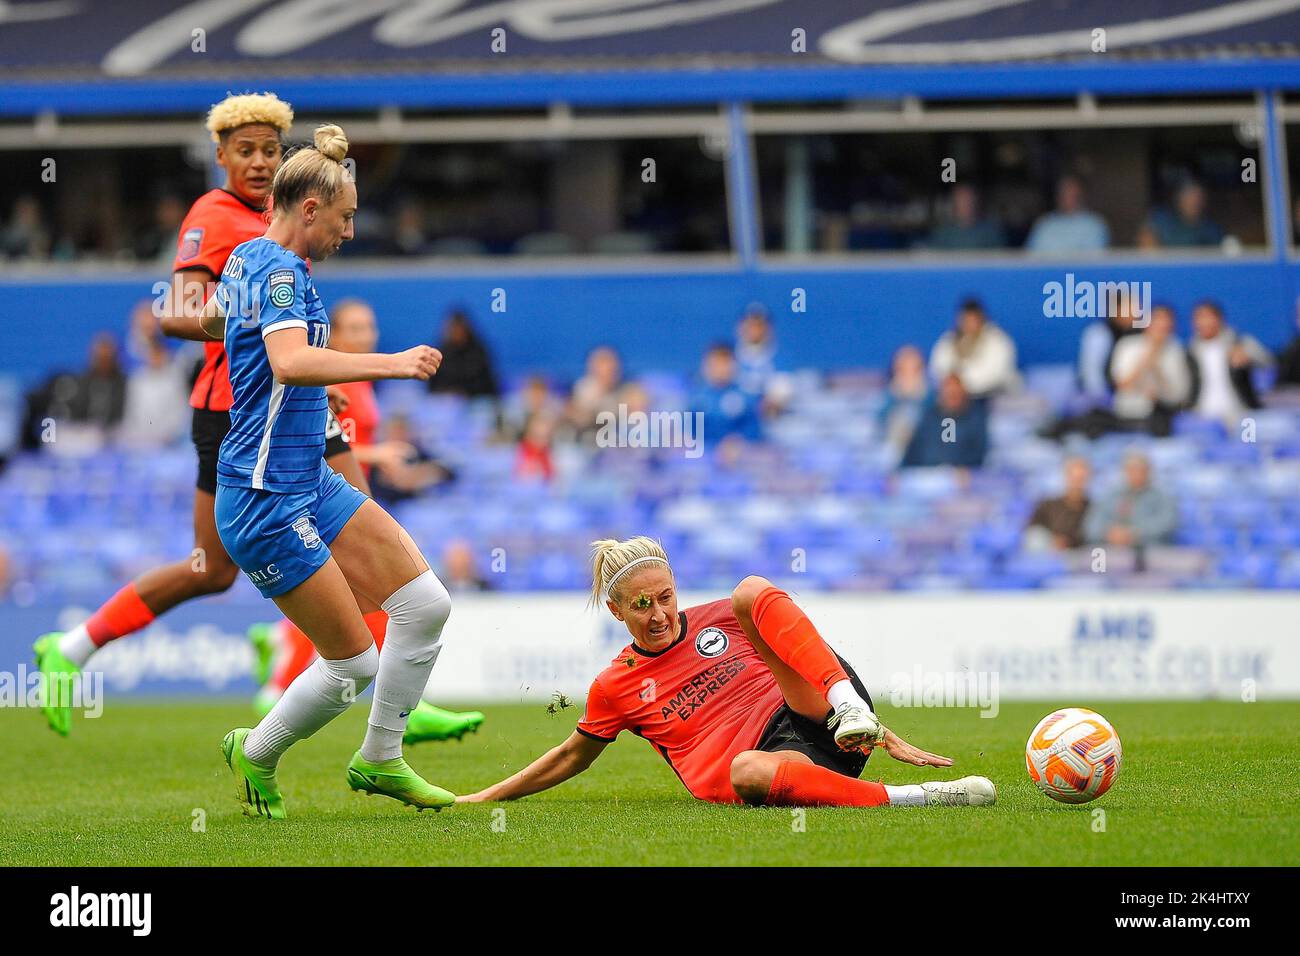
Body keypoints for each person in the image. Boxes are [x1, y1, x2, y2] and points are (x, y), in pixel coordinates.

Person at [30, 93, 371, 737]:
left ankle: (369, 685)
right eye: (245, 151)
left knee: (357, 521)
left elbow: (293, 332)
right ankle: (75, 646)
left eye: (271, 150)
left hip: (286, 406)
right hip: (234, 413)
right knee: (213, 569)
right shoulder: (214, 217)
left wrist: (311, 376)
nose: (260, 162)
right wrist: (251, 325)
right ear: (220, 156)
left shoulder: (291, 215)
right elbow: (175, 312)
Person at [207, 123, 461, 818]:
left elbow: (230, 326)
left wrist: (285, 366)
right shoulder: (281, 270)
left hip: (307, 479)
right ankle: (257, 753)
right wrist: (392, 363)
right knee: (353, 666)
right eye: (346, 218)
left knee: (426, 604)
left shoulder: (260, 264)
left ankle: (380, 760)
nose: (351, 231)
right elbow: (289, 361)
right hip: (262, 500)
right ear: (312, 209)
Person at [456, 537, 994, 808]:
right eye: (642, 605)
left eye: (666, 596)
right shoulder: (614, 686)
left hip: (819, 716)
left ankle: (850, 705)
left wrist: (873, 727)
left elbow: (798, 656)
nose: (661, 614)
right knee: (746, 770)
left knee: (751, 593)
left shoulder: (718, 618)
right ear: (616, 611)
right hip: (777, 766)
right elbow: (571, 757)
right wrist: (483, 797)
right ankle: (925, 797)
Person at [248, 297, 482, 743]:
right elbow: (312, 441)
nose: (366, 335)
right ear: (333, 334)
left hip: (350, 493)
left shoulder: (354, 379)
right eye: (354, 328)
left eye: (370, 326)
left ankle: (279, 645)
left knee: (357, 597)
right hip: (325, 496)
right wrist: (377, 455)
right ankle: (402, 712)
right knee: (374, 596)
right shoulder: (332, 374)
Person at [1185, 300, 1271, 430]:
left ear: (1220, 319)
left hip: (1242, 413)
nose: (1204, 323)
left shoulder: (1239, 342)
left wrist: (1248, 356)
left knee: (1248, 446)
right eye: (1199, 318)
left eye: (1208, 317)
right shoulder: (1190, 351)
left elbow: (1268, 363)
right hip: (1203, 416)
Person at [1083, 451, 1177, 548]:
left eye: (1141, 470)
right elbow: (1092, 527)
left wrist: (1134, 533)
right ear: (1125, 471)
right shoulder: (1110, 496)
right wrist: (1109, 534)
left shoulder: (1163, 497)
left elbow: (1168, 524)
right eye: (1131, 470)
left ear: (1149, 471)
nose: (1136, 474)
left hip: (1150, 552)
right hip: (1112, 552)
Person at [928, 298, 1018, 398]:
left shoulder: (998, 341)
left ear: (981, 318)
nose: (969, 323)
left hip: (991, 397)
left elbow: (996, 375)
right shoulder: (949, 341)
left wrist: (962, 385)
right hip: (957, 400)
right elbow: (938, 369)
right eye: (965, 319)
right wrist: (954, 386)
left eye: (973, 319)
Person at [899, 374, 989, 469]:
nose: (951, 397)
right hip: (925, 474)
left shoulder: (975, 419)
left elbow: (978, 453)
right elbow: (913, 449)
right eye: (948, 393)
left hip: (961, 475)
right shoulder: (930, 417)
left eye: (955, 394)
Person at [692, 343, 764, 443]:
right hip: (700, 455)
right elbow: (686, 432)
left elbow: (753, 434)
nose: (720, 369)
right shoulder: (696, 397)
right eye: (715, 364)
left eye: (724, 363)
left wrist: (739, 443)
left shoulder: (747, 399)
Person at [1025, 175, 1109, 254]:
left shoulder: (1094, 225)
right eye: (1064, 193)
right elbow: (1029, 257)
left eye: (1072, 195)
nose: (1068, 198)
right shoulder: (1044, 224)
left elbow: (1096, 261)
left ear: (1081, 196)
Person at [427, 307, 499, 398]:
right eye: (453, 329)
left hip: (477, 403)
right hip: (445, 404)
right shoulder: (440, 354)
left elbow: (488, 384)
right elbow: (432, 386)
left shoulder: (479, 353)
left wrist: (465, 393)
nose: (456, 333)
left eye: (459, 329)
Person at [1025, 456, 1092, 551]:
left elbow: (1091, 534)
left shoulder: (1093, 507)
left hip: (1079, 555)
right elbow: (1032, 527)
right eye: (1074, 478)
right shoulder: (1048, 505)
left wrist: (1068, 542)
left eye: (1081, 479)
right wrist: (1052, 540)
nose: (1077, 483)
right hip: (1048, 552)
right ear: (1066, 477)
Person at [1142, 181, 1223, 249]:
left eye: (1198, 199)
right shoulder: (1162, 220)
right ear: (1178, 200)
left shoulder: (1211, 228)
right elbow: (1147, 246)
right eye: (1189, 198)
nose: (1194, 203)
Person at [925, 184, 1006, 251]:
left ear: (976, 202)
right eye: (961, 201)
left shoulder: (990, 232)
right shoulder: (943, 234)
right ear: (954, 204)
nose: (966, 204)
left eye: (969, 200)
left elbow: (1002, 258)